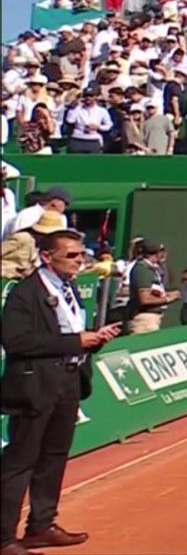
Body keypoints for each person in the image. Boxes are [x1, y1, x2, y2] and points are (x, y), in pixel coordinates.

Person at [1, 229, 121, 554]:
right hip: (34, 386)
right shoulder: (24, 294)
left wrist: (93, 340)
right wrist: (76, 342)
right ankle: (4, 537)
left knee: (54, 457)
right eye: (71, 255)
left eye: (81, 254)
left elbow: (70, 331)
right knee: (20, 462)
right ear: (46, 257)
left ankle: (41, 526)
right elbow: (15, 341)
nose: (79, 261)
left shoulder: (69, 289)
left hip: (68, 382)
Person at [123, 238, 179, 334]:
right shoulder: (142, 269)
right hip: (143, 320)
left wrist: (169, 294)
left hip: (152, 319)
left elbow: (154, 291)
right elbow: (145, 299)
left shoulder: (152, 268)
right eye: (162, 251)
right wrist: (168, 299)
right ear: (157, 253)